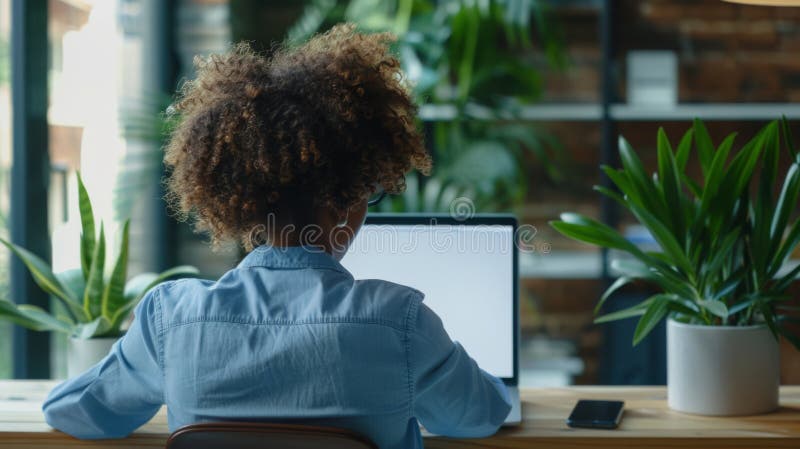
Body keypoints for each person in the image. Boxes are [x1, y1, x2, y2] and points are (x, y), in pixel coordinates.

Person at [42, 23, 511, 449]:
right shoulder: (399, 322)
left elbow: (74, 412)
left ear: (237, 202)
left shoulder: (172, 321)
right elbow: (482, 415)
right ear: (348, 204)